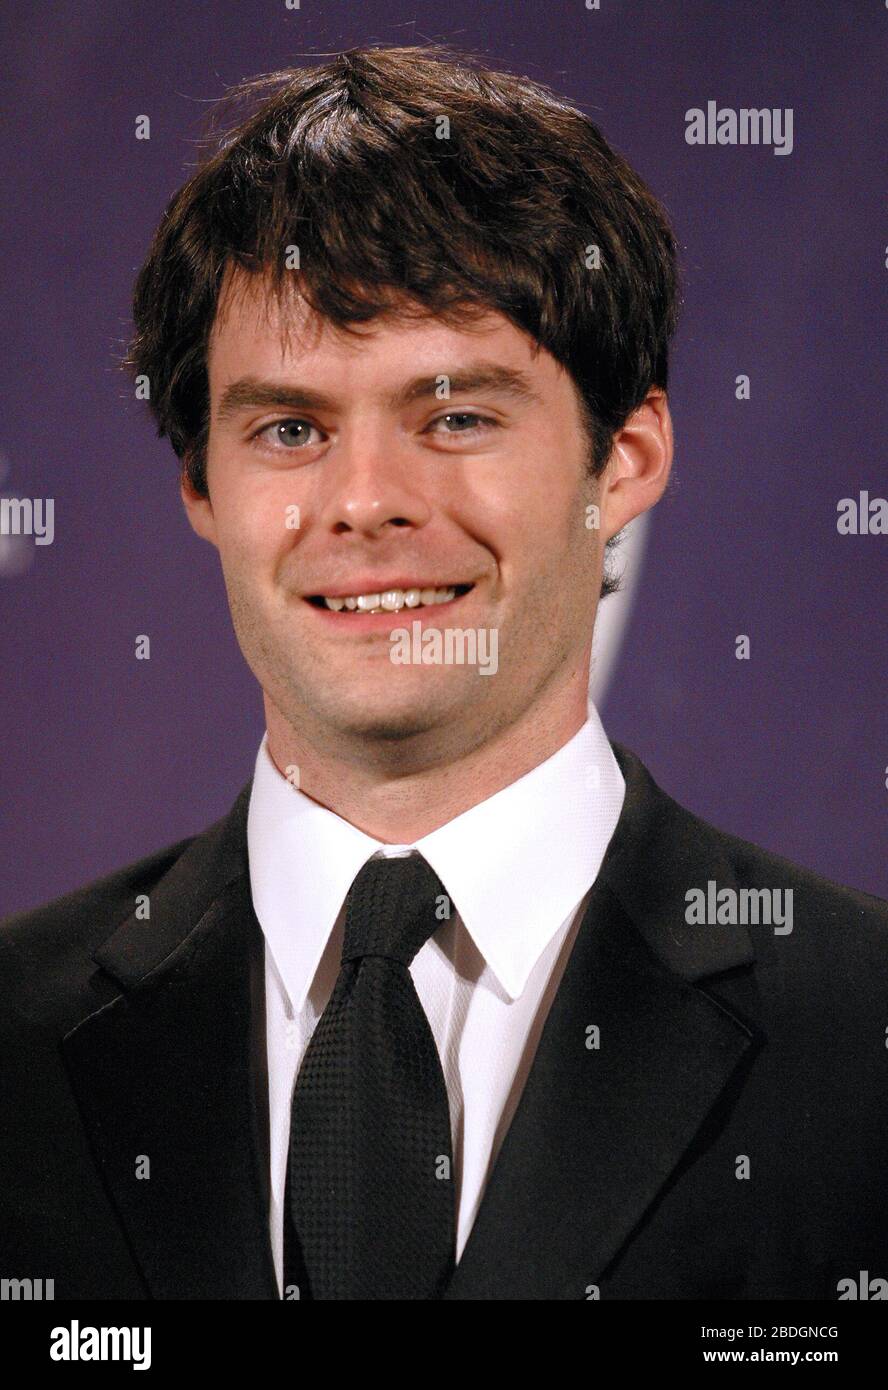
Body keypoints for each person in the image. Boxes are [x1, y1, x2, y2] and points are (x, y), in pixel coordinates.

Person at [2, 44, 886, 1302]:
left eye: (457, 415)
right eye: (291, 429)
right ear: (203, 485)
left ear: (624, 459)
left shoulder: (865, 1043)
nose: (364, 503)